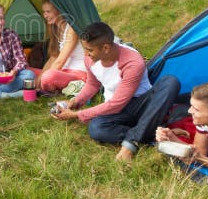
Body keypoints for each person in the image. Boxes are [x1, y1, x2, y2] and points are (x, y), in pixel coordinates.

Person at [50, 21, 180, 161]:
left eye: (90, 50)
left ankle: (131, 142)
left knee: (170, 82)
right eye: (85, 49)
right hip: (116, 112)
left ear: (105, 48)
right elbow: (93, 84)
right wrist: (74, 102)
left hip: (143, 105)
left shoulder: (132, 62)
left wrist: (76, 115)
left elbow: (117, 103)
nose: (86, 54)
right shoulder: (90, 60)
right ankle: (152, 133)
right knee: (96, 128)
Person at [34, 0, 86, 93]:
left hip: (77, 73)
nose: (45, 15)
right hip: (63, 72)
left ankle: (47, 86)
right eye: (44, 12)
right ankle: (47, 85)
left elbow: (60, 61)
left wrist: (42, 79)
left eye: (48, 12)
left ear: (59, 11)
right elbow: (53, 58)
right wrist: (39, 78)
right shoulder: (57, 29)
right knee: (28, 71)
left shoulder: (71, 28)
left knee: (48, 77)